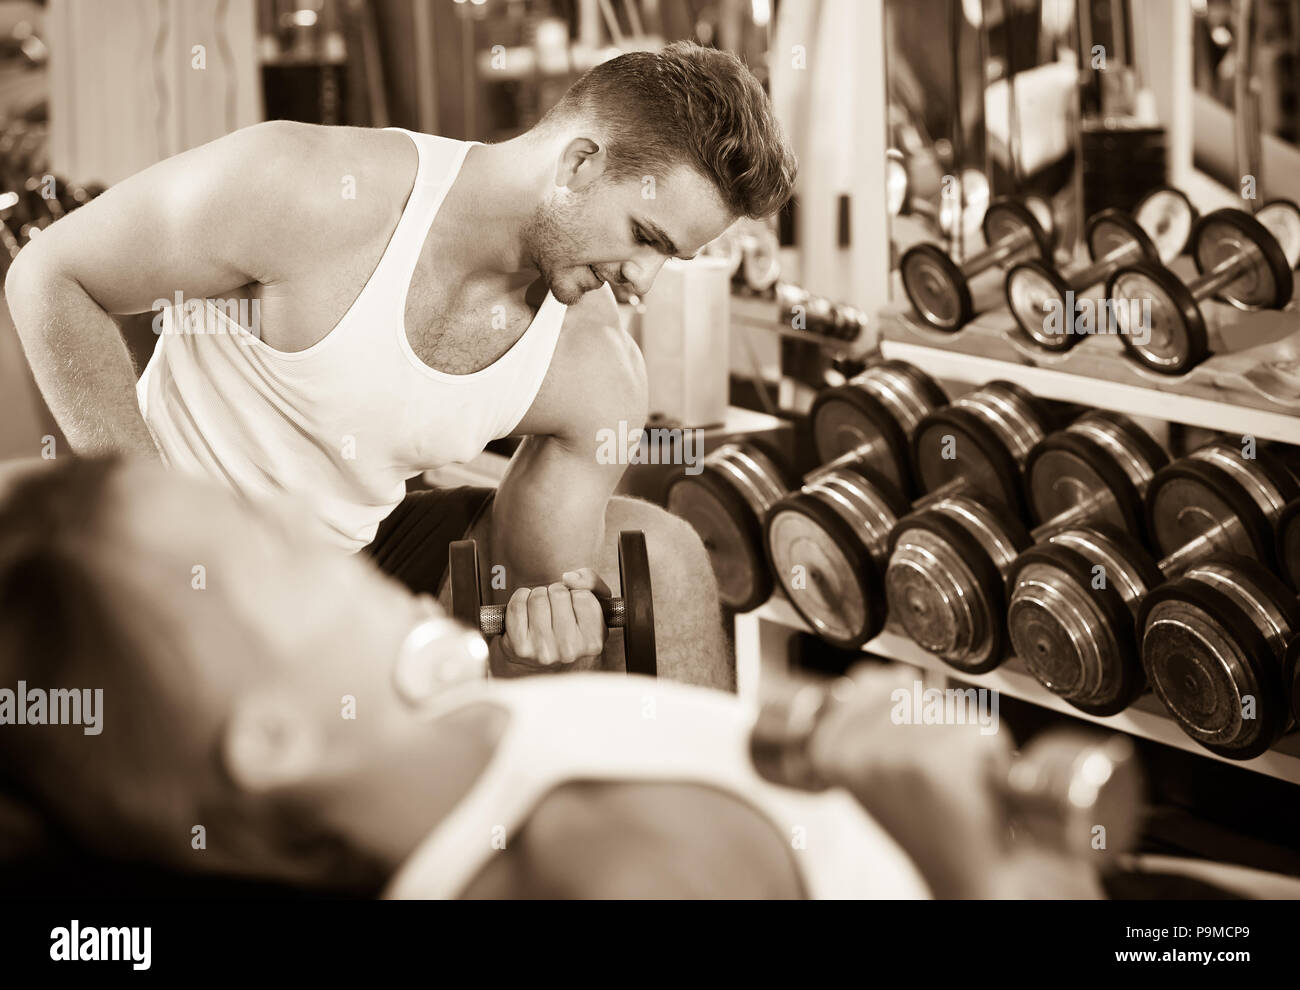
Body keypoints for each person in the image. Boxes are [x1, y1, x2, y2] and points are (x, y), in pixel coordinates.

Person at [5, 42, 798, 687]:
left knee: (663, 553)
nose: (642, 283)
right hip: (177, 550)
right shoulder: (308, 188)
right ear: (580, 162)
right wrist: (157, 526)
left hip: (350, 569)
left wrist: (545, 644)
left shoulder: (595, 373)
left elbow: (526, 618)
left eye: (673, 258)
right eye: (647, 238)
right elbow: (50, 276)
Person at [0, 456, 1103, 899]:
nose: (301, 519)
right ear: (275, 739)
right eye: (259, 545)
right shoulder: (606, 870)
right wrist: (995, 873)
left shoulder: (449, 747)